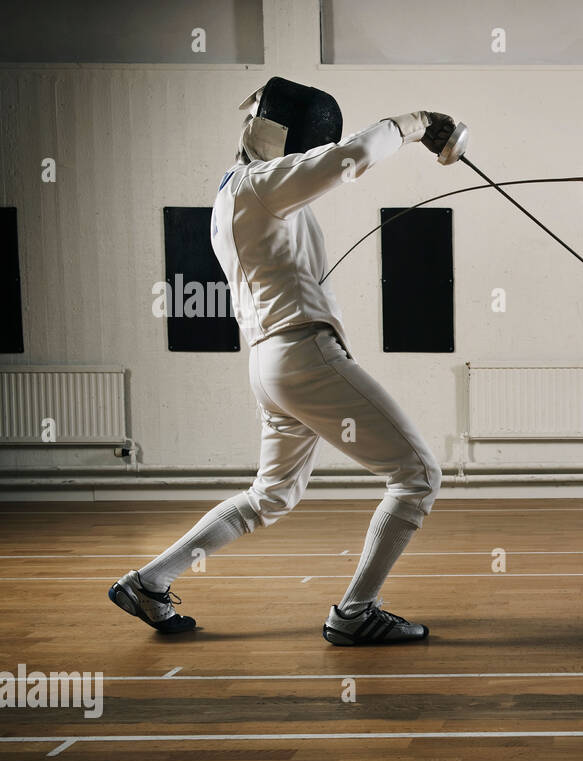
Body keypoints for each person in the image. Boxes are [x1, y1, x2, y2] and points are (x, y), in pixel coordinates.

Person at [110, 77, 460, 646]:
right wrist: (417, 123)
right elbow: (351, 157)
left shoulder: (233, 191)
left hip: (271, 364)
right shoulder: (260, 185)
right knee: (418, 475)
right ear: (293, 140)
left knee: (272, 494)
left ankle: (149, 582)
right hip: (301, 356)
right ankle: (354, 613)